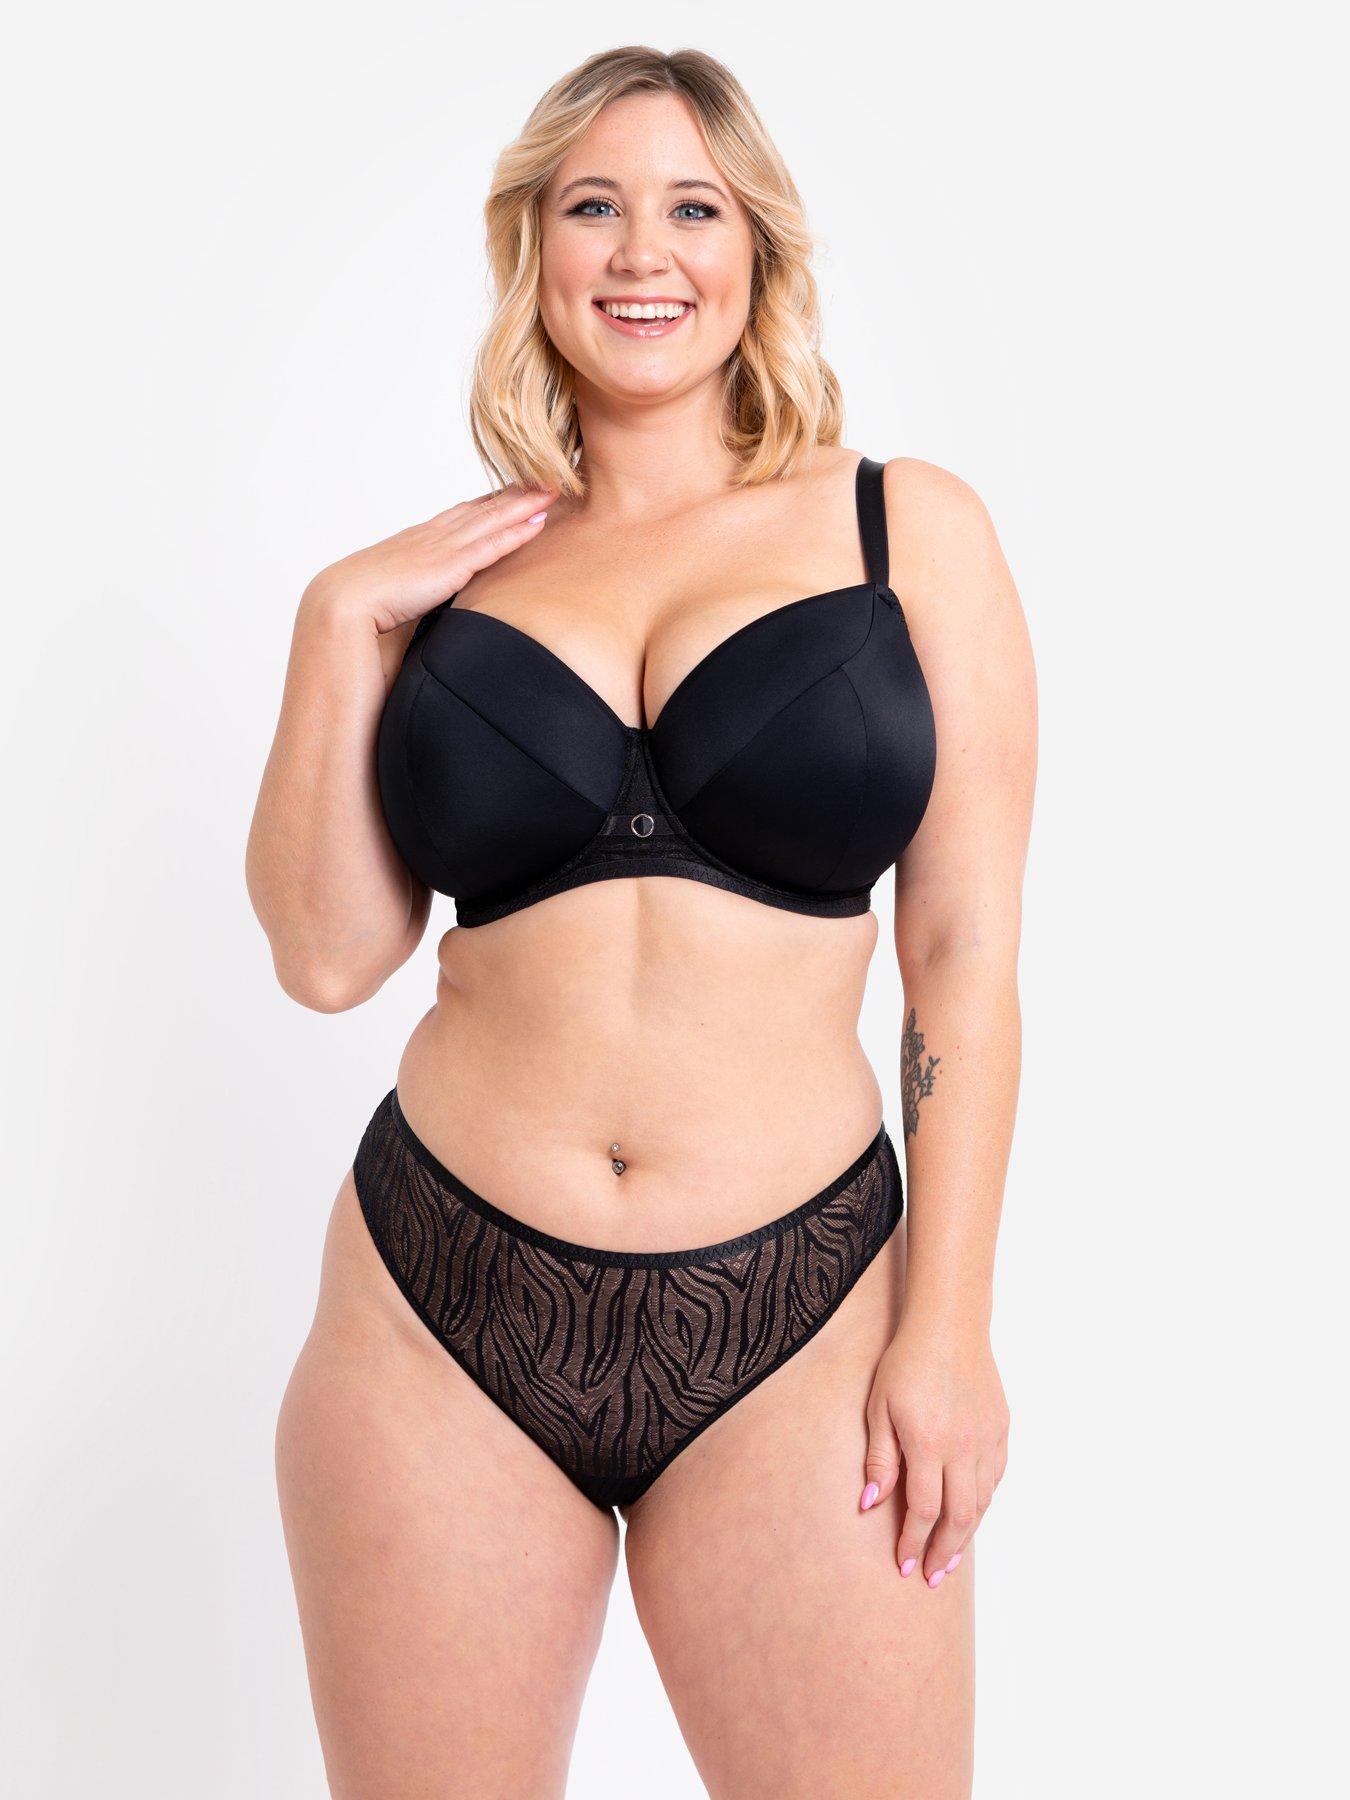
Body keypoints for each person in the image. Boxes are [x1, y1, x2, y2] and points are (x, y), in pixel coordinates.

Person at [246, 44, 1036, 1800]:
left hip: (804, 1314)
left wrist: (949, 1328)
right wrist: (334, 622)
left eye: (692, 208)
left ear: (756, 249)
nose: (641, 252)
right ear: (534, 247)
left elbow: (963, 961)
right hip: (435, 1307)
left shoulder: (901, 531)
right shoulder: (457, 576)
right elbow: (325, 956)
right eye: (592, 207)